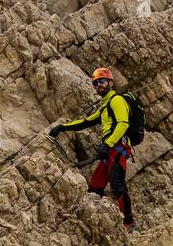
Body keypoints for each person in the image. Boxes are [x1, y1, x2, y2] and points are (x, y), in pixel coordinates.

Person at [50, 67, 136, 230]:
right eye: (95, 84)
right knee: (95, 187)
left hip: (117, 147)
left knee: (117, 184)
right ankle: (100, 221)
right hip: (109, 149)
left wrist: (108, 144)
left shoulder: (116, 100)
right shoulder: (104, 107)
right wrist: (62, 127)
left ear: (110, 82)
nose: (98, 86)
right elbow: (85, 122)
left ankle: (129, 222)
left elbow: (123, 124)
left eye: (101, 82)